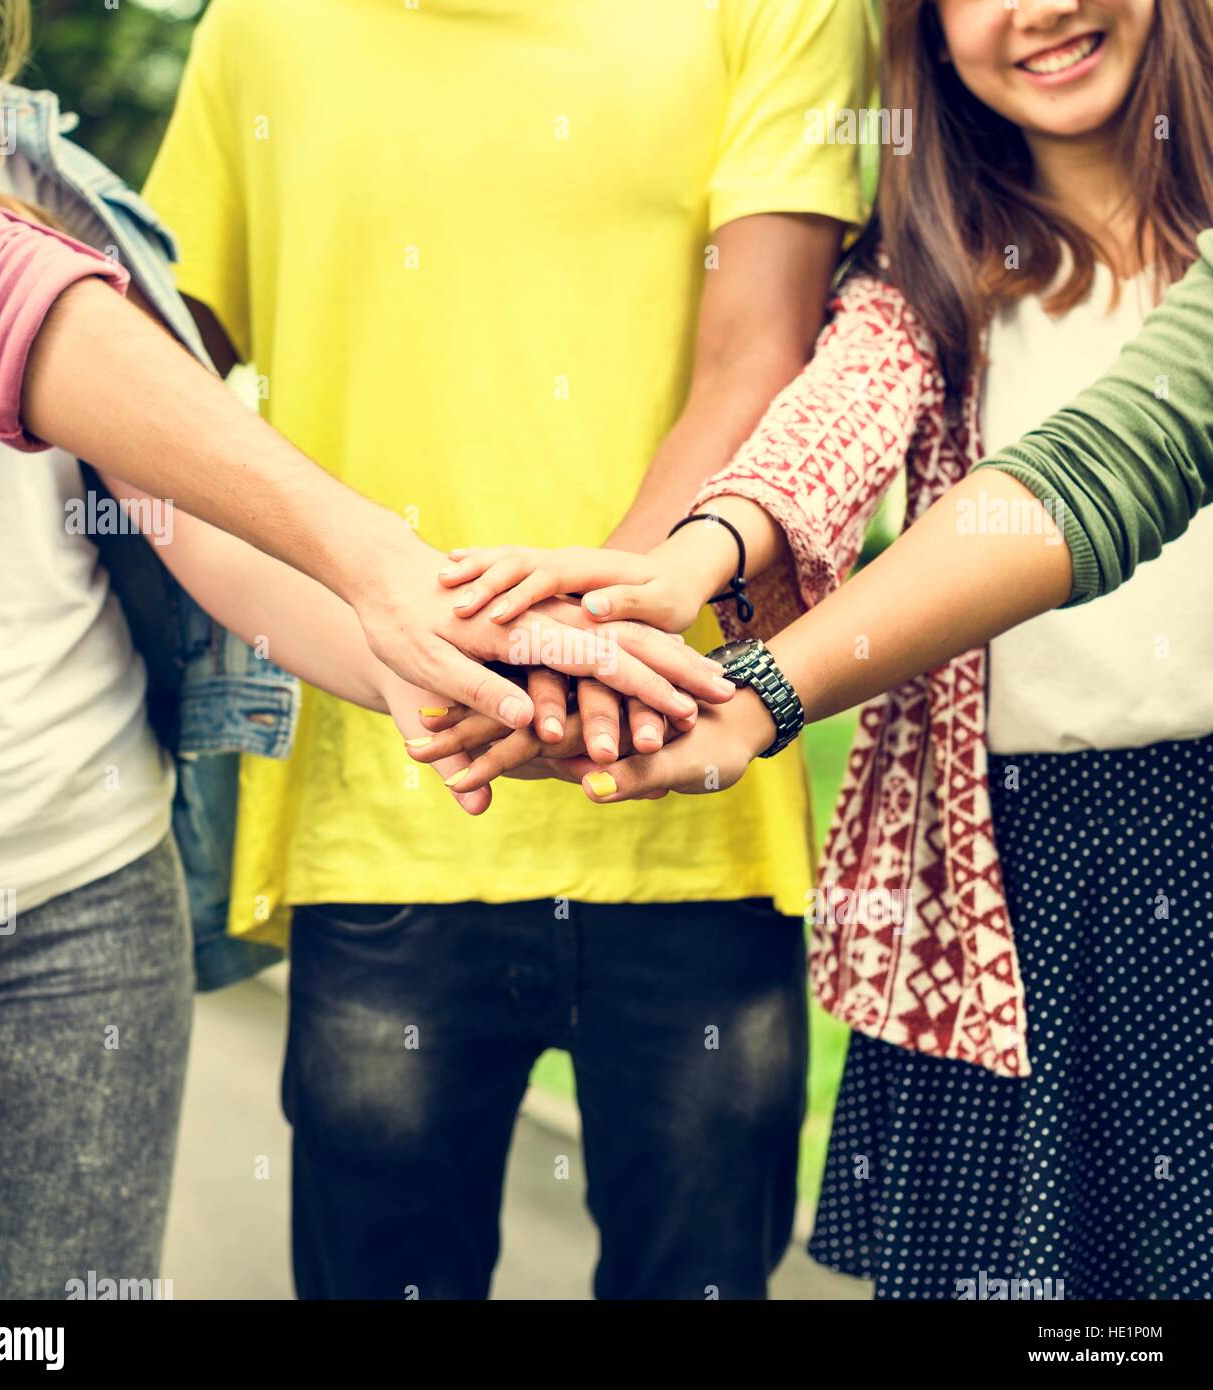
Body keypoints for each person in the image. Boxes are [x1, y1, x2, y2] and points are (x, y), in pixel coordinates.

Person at [0, 5, 720, 1298]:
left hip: (72, 882)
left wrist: (413, 659)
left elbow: (166, 498)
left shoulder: (15, 147)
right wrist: (383, 563)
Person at [424, 0, 1213, 1299]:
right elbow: (829, 423)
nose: (1045, 9)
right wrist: (680, 570)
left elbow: (1117, 464)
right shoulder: (929, 275)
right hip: (1009, 864)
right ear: (929, 32)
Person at [144, 0, 875, 1298]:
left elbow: (760, 352)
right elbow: (159, 408)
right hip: (388, 805)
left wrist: (575, 654)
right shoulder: (257, 29)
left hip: (687, 797)